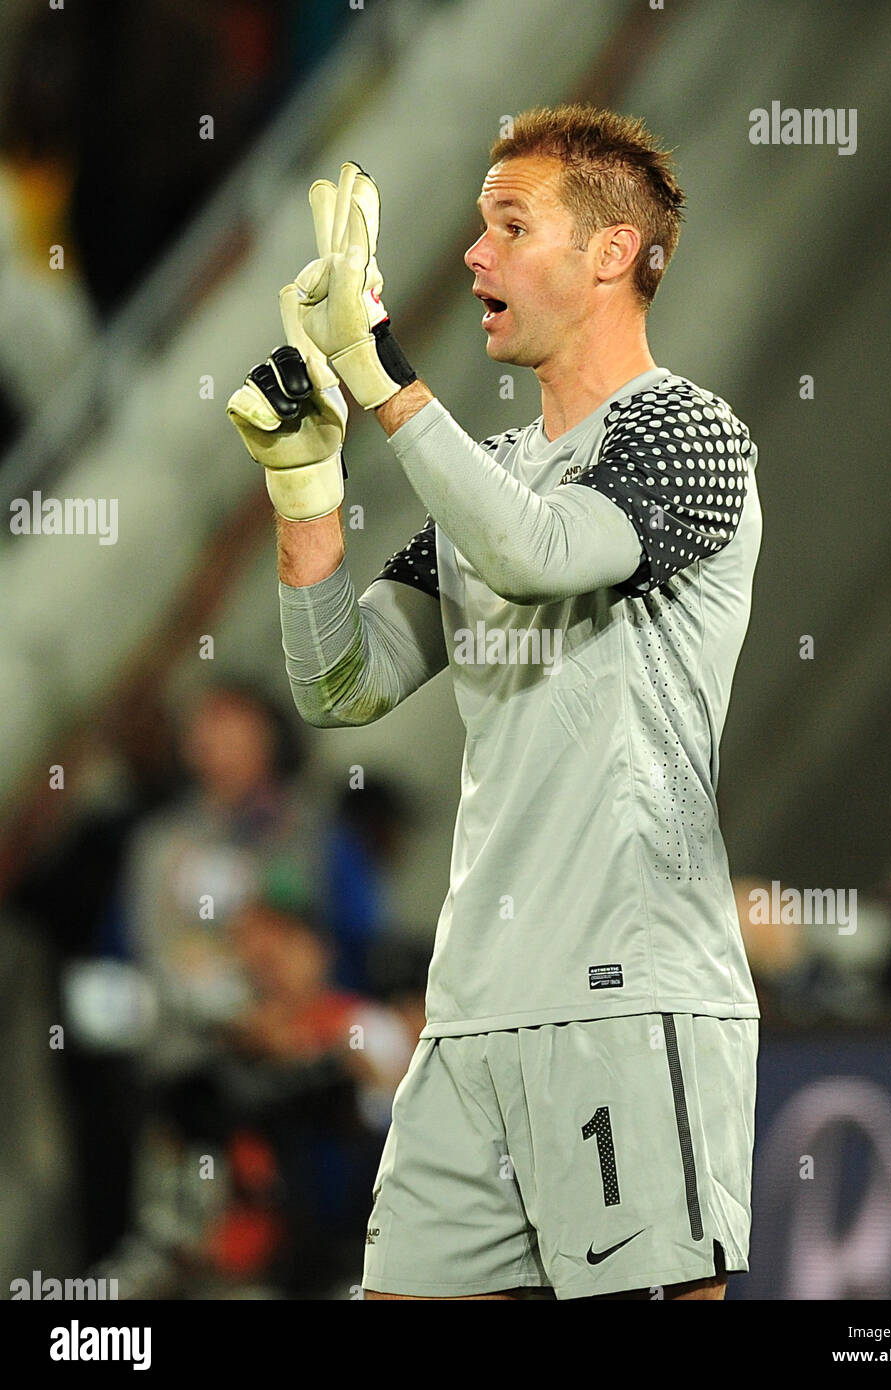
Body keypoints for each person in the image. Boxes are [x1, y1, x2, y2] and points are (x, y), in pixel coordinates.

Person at [228, 103, 763, 1300]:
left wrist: (380, 371)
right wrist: (307, 493)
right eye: (479, 227)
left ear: (611, 253)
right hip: (472, 1014)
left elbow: (540, 551)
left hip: (629, 998)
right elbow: (343, 680)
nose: (473, 255)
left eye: (510, 225)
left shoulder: (690, 434)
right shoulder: (498, 476)